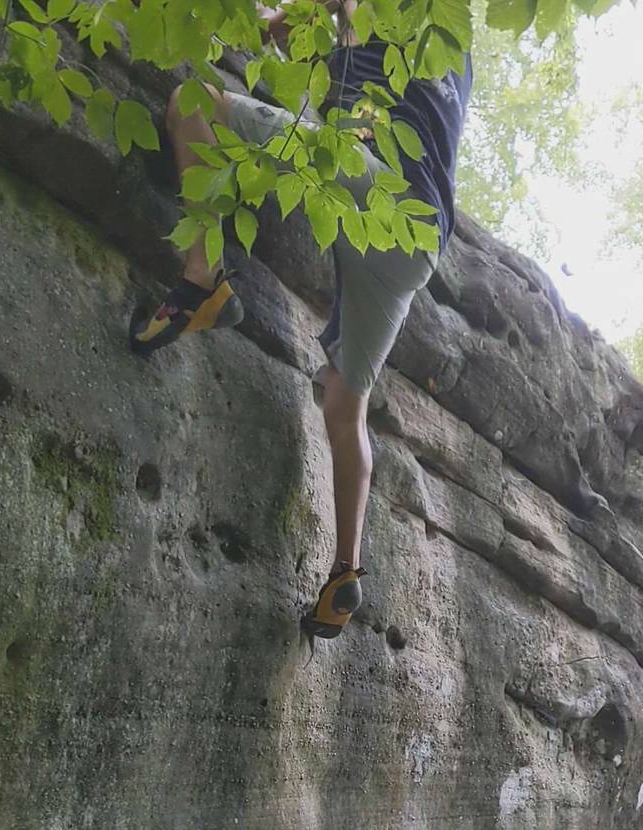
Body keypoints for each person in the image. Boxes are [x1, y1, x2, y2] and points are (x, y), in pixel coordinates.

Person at [131, 0, 472, 641]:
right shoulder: (451, 42)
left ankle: (201, 278)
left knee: (193, 102)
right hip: (417, 244)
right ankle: (345, 571)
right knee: (347, 404)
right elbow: (332, 54)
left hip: (367, 188)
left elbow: (275, 28)